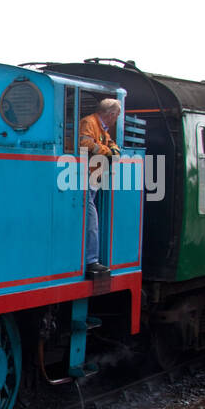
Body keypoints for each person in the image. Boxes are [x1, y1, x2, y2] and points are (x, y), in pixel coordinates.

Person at [78, 98, 121, 277]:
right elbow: (85, 143)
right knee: (91, 218)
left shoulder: (101, 126)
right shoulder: (90, 122)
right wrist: (108, 152)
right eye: (117, 116)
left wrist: (112, 149)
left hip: (94, 175)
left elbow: (110, 143)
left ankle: (92, 258)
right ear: (111, 114)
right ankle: (91, 259)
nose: (116, 119)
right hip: (86, 174)